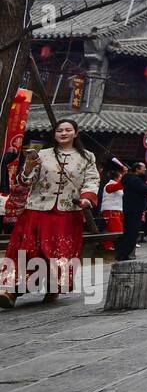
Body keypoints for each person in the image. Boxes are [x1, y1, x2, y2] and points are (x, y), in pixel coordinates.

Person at [0, 121, 100, 306]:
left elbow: (92, 180)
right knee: (26, 250)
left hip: (67, 212)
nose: (63, 133)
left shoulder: (87, 157)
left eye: (68, 130)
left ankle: (53, 288)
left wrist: (86, 198)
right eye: (59, 130)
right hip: (37, 210)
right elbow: (25, 181)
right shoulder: (42, 155)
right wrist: (29, 166)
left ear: (76, 133)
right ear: (54, 134)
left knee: (59, 253)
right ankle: (12, 292)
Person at [118, 162, 147, 262]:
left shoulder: (131, 178)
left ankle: (125, 253)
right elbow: (145, 189)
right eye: (143, 168)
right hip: (134, 208)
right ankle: (124, 254)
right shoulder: (133, 179)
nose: (145, 170)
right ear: (137, 170)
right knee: (132, 232)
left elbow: (143, 185)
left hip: (131, 208)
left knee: (130, 231)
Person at [101, 163, 126, 255]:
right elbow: (120, 185)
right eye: (120, 178)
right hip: (110, 211)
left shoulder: (118, 186)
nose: (121, 179)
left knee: (119, 230)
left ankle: (115, 248)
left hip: (118, 211)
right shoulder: (109, 185)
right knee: (116, 230)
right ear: (116, 178)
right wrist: (126, 177)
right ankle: (109, 248)